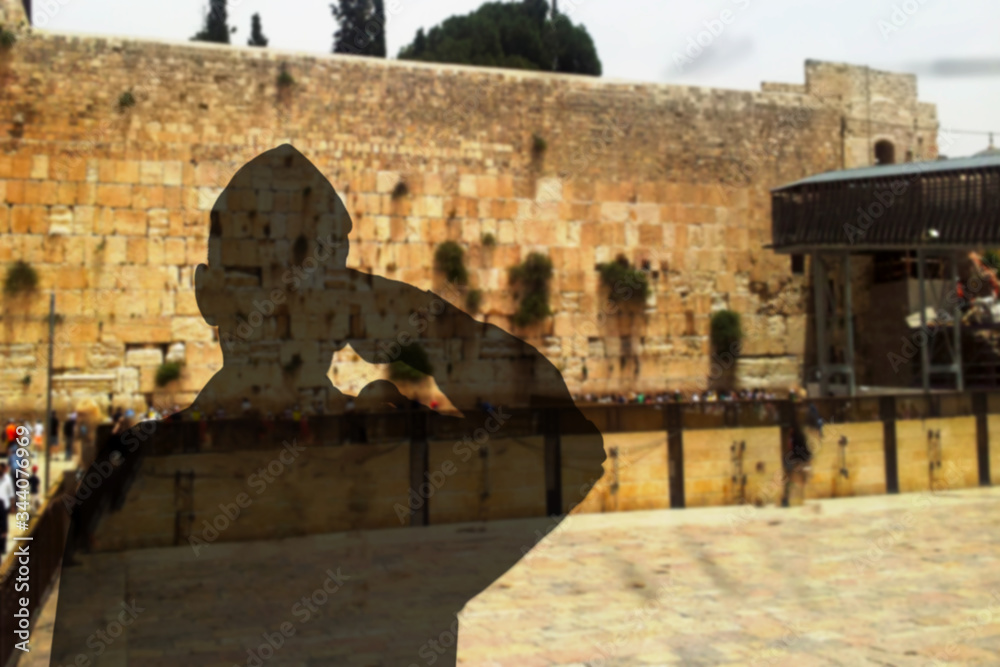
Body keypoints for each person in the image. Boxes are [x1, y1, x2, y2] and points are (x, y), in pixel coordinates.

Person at [51, 145, 605, 666]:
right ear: (348, 305)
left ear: (207, 292)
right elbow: (571, 448)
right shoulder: (405, 466)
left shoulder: (125, 479)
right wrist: (419, 320)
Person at [0, 462, 13, 556]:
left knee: (4, 528)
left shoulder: (8, 479)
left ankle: (3, 547)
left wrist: (12, 506)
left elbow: (11, 493)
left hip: (4, 507)